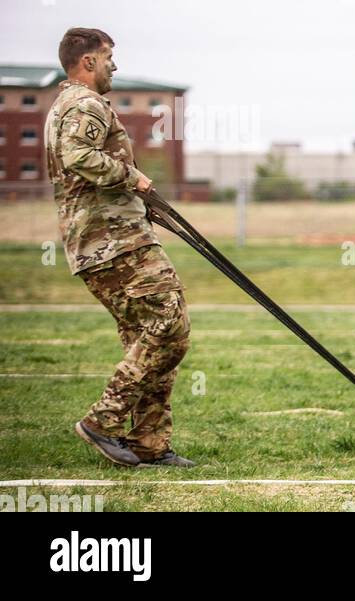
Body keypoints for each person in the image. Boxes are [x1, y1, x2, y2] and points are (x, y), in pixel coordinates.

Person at [45, 28, 195, 466]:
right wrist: (133, 178)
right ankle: (102, 421)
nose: (115, 65)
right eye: (108, 56)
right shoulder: (84, 103)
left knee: (146, 335)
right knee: (169, 322)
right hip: (112, 240)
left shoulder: (68, 104)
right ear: (88, 61)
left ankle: (150, 443)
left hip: (107, 239)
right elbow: (78, 156)